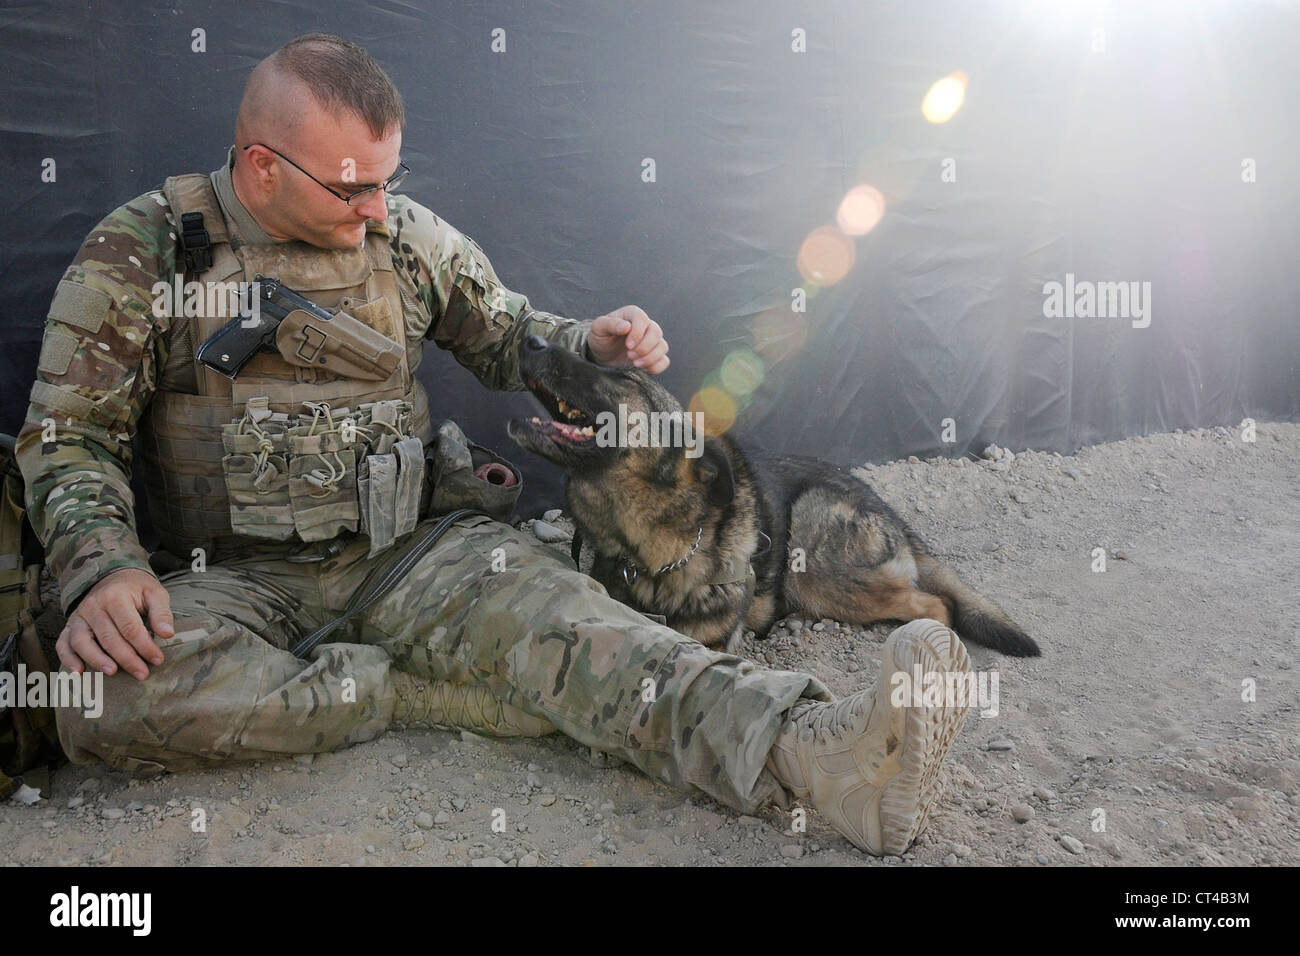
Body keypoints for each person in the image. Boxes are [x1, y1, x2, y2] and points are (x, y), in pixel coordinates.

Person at [14, 33, 971, 856]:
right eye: (355, 190)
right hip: (225, 578)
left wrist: (583, 342)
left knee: (593, 633)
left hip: (416, 554)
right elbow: (67, 436)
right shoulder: (143, 250)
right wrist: (103, 567)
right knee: (100, 701)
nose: (379, 213)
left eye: (391, 183)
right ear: (263, 167)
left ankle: (819, 753)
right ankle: (433, 695)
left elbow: (506, 334)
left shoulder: (404, 240)